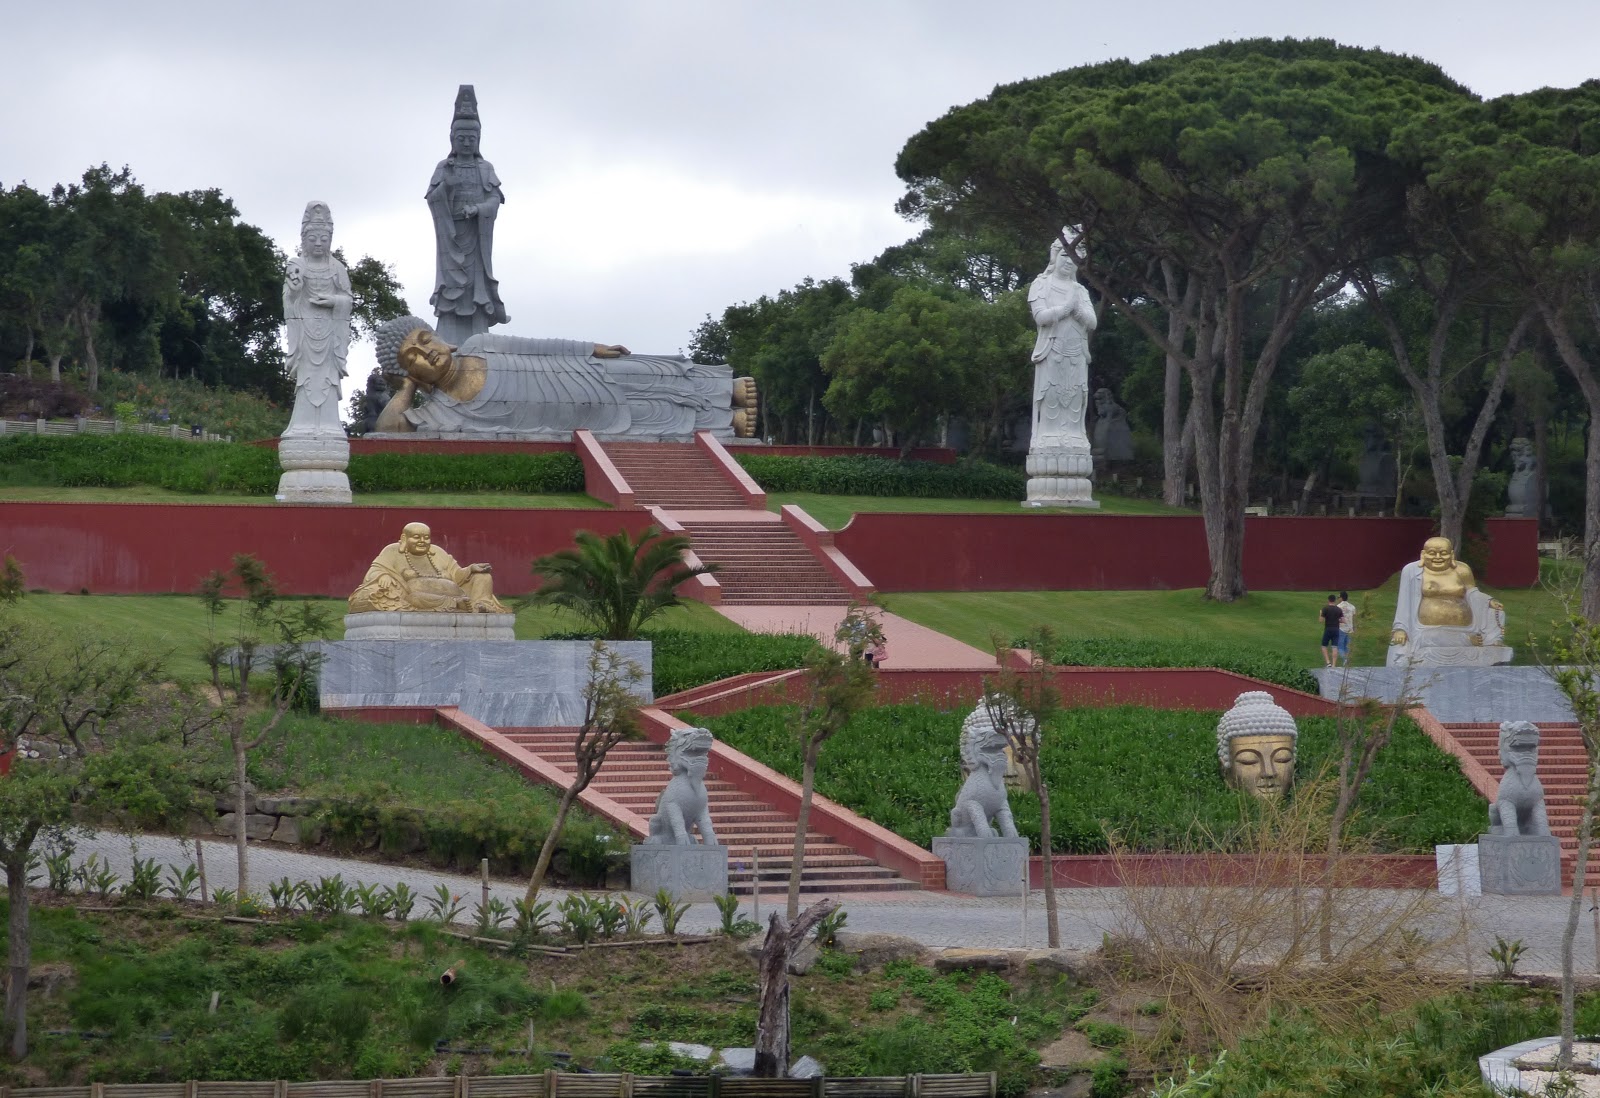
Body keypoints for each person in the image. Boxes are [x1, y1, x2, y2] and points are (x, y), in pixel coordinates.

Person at [427, 85, 510, 346]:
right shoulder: (444, 166)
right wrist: (447, 185)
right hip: (452, 239)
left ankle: (479, 337)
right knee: (452, 290)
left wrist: (479, 209)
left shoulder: (485, 168)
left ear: (478, 140)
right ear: (452, 138)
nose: (465, 143)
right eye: (461, 138)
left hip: (476, 236)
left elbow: (496, 199)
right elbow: (432, 198)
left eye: (471, 139)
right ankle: (448, 337)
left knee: (477, 289)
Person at [281, 201, 351, 435]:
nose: (319, 244)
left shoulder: (338, 268)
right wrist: (294, 288)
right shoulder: (297, 266)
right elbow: (289, 300)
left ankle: (330, 426)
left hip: (330, 333)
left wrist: (335, 302)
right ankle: (301, 426)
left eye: (323, 239)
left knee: (329, 379)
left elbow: (348, 299)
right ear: (304, 240)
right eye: (313, 239)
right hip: (305, 333)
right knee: (306, 379)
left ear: (330, 240)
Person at [348, 522, 508, 614]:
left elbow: (456, 574)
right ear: (404, 538)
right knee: (414, 599)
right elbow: (373, 572)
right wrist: (383, 575)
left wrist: (471, 569)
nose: (422, 541)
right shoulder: (392, 551)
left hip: (456, 591)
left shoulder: (437, 552)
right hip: (420, 597)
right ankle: (454, 604)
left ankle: (480, 605)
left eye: (426, 537)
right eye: (416, 537)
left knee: (483, 577)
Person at [1028, 235, 1098, 446]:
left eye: (1074, 258)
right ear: (1055, 255)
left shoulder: (1080, 290)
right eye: (1065, 255)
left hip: (1076, 352)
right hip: (1052, 349)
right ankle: (1047, 438)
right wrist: (1064, 309)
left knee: (1076, 396)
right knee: (1051, 394)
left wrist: (1077, 313)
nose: (1068, 262)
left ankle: (1074, 438)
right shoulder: (1041, 284)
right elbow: (1040, 317)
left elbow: (1092, 322)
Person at [1318, 594, 1343, 669]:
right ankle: (1334, 665)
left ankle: (1328, 662)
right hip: (1336, 629)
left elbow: (1321, 620)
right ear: (1335, 600)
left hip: (1328, 629)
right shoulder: (1339, 609)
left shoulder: (1325, 609)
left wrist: (1320, 614)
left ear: (1328, 600)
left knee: (1324, 646)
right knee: (1334, 647)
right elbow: (1343, 620)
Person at [1336, 590, 1357, 663]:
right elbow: (1354, 618)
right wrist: (1354, 628)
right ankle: (1347, 660)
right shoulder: (1352, 607)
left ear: (1341, 598)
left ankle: (1345, 659)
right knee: (1347, 646)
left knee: (1340, 646)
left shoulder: (1338, 607)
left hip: (1341, 628)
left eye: (1339, 597)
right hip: (1350, 629)